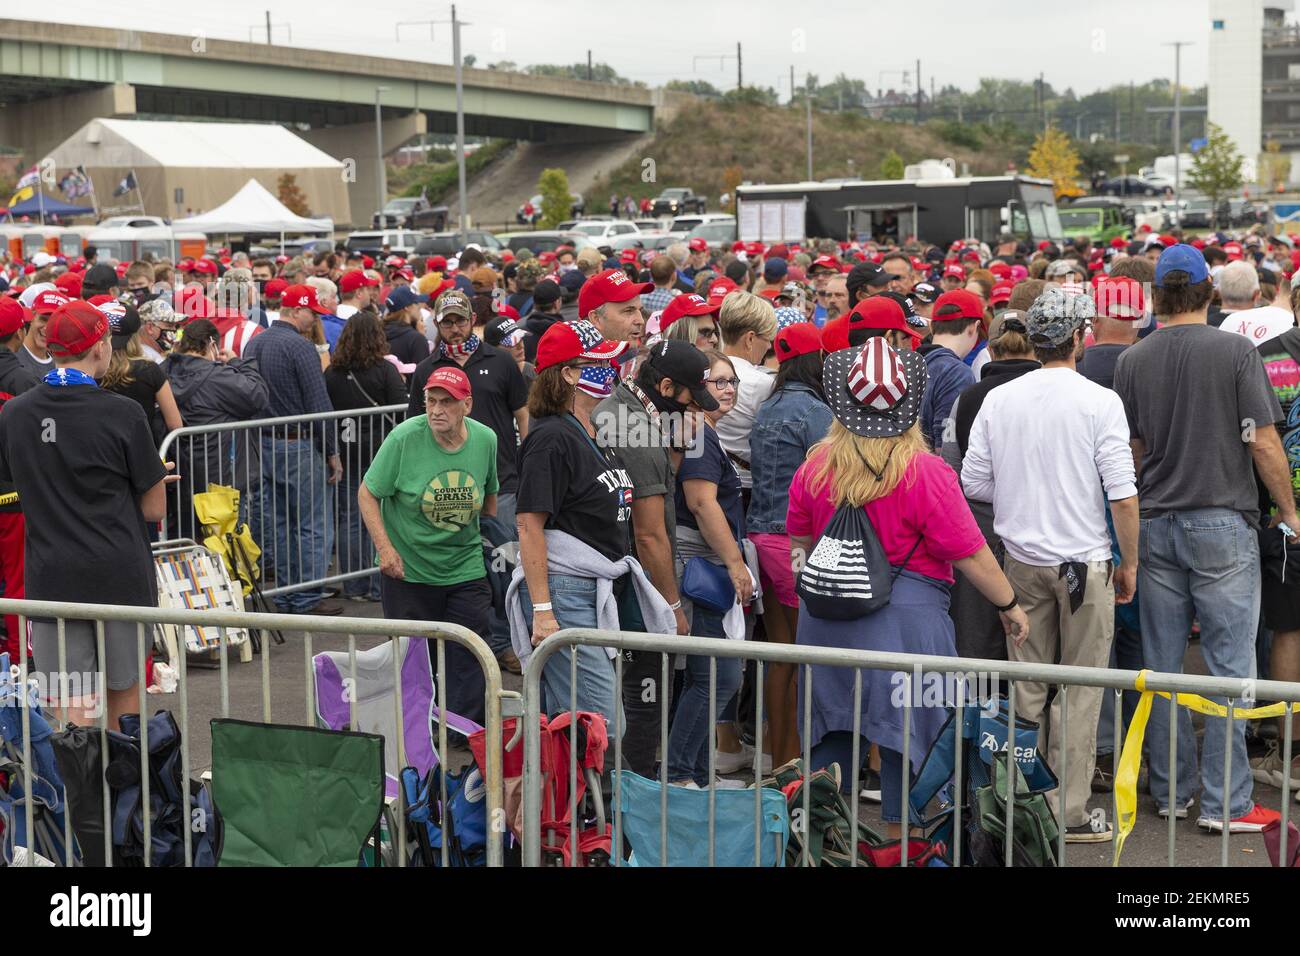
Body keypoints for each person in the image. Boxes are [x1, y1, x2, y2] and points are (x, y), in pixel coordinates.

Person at [787, 338, 1028, 837]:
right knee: (912, 743)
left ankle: (821, 844)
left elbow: (799, 545)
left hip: (825, 621)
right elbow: (972, 555)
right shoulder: (925, 473)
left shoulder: (814, 468)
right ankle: (901, 845)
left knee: (828, 738)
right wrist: (1009, 604)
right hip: (907, 625)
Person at [1113, 244, 1291, 834]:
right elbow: (1264, 443)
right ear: (1209, 290)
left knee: (1164, 667)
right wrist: (1289, 509)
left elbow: (1132, 453)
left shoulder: (1133, 361)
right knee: (1226, 668)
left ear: (1157, 295)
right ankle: (1226, 803)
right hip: (1222, 519)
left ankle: (1171, 790)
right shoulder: (1236, 350)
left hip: (1158, 520)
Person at [961, 287, 1139, 843]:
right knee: (1081, 689)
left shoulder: (998, 398)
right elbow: (1122, 493)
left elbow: (974, 482)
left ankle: (1021, 802)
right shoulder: (1098, 400)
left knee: (1028, 685)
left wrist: (1022, 496)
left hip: (1022, 562)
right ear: (1080, 340)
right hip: (1083, 562)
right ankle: (1067, 811)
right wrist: (1129, 561)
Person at [0, 301, 173, 727]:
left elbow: (18, 492)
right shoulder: (123, 412)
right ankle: (125, 792)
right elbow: (154, 508)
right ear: (101, 348)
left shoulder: (14, 412)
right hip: (118, 573)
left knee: (71, 706)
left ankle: (82, 794)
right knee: (124, 695)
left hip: (53, 575)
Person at [509, 320, 673, 724]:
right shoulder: (550, 438)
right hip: (567, 593)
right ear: (568, 374)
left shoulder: (591, 426)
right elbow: (529, 525)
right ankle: (593, 790)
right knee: (601, 723)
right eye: (598, 362)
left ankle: (571, 789)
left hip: (593, 588)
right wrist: (544, 610)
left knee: (576, 723)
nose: (611, 368)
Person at [593, 339, 716, 777]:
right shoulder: (634, 428)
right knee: (643, 701)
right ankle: (634, 801)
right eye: (687, 397)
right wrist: (672, 606)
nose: (691, 407)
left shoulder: (627, 408)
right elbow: (649, 534)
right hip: (633, 589)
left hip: (618, 582)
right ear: (665, 385)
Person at [359, 365, 496, 724]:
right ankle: (418, 733)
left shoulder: (486, 440)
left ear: (467, 405)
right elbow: (368, 493)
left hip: (464, 566)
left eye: (446, 403)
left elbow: (491, 500)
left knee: (468, 652)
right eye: (430, 401)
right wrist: (386, 549)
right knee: (413, 659)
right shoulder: (404, 438)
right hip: (410, 570)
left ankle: (463, 734)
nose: (436, 410)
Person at [406, 289, 530, 669]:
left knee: (503, 563)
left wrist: (527, 459)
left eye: (461, 320)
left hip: (502, 480)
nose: (455, 328)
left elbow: (523, 413)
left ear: (472, 319)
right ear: (438, 325)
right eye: (447, 322)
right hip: (448, 484)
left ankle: (508, 639)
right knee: (466, 563)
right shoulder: (427, 369)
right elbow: (415, 424)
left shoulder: (501, 361)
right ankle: (480, 642)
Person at [666, 349, 755, 788]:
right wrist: (737, 565)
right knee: (712, 678)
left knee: (716, 677)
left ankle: (697, 774)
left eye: (732, 381)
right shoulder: (699, 433)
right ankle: (683, 775)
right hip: (700, 565)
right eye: (717, 382)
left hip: (706, 563)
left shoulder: (705, 432)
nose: (726, 390)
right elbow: (702, 503)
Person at [746, 322, 832, 766]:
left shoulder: (769, 404)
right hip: (792, 541)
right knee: (802, 656)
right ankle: (793, 762)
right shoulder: (814, 410)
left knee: (782, 655)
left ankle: (775, 757)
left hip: (761, 536)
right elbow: (830, 479)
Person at [941, 310, 1040, 662]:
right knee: (1034, 640)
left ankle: (979, 714)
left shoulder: (968, 397)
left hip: (980, 529)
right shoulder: (1050, 393)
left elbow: (950, 465)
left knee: (977, 637)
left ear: (992, 352)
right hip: (1039, 528)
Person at [242, 283, 345, 615]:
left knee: (283, 524)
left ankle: (289, 594)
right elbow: (319, 404)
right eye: (312, 313)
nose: (315, 319)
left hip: (264, 442)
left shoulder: (255, 343)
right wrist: (332, 451)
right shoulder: (300, 347)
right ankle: (304, 598)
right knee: (312, 525)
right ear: (296, 311)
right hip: (296, 444)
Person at [161, 319, 271, 541]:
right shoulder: (217, 376)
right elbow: (257, 395)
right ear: (211, 344)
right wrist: (239, 363)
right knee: (229, 547)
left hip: (183, 472)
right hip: (223, 475)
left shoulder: (165, 370)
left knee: (190, 540)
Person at [325, 311, 408, 603]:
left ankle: (354, 584)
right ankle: (376, 584)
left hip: (346, 454)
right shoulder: (384, 369)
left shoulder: (332, 372)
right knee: (380, 518)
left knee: (350, 518)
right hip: (379, 453)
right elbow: (402, 408)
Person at [0, 297, 38, 661]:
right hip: (14, 497)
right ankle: (18, 659)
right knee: (18, 583)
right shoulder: (25, 379)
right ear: (20, 332)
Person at [713, 291, 777, 501]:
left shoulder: (705, 368)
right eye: (768, 339)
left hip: (706, 474)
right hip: (745, 485)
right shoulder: (762, 383)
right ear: (750, 338)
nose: (769, 347)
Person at [99, 302, 184, 447]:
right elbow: (175, 425)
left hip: (103, 450)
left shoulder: (94, 370)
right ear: (134, 336)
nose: (173, 330)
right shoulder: (150, 369)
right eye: (169, 325)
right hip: (143, 451)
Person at [917, 290, 981, 450]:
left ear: (931, 326)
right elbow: (945, 449)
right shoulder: (958, 373)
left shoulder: (910, 361)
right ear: (974, 327)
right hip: (930, 472)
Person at [383, 285, 432, 368]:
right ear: (407, 308)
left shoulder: (380, 332)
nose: (419, 306)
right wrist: (422, 338)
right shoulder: (416, 339)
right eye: (416, 303)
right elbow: (423, 375)